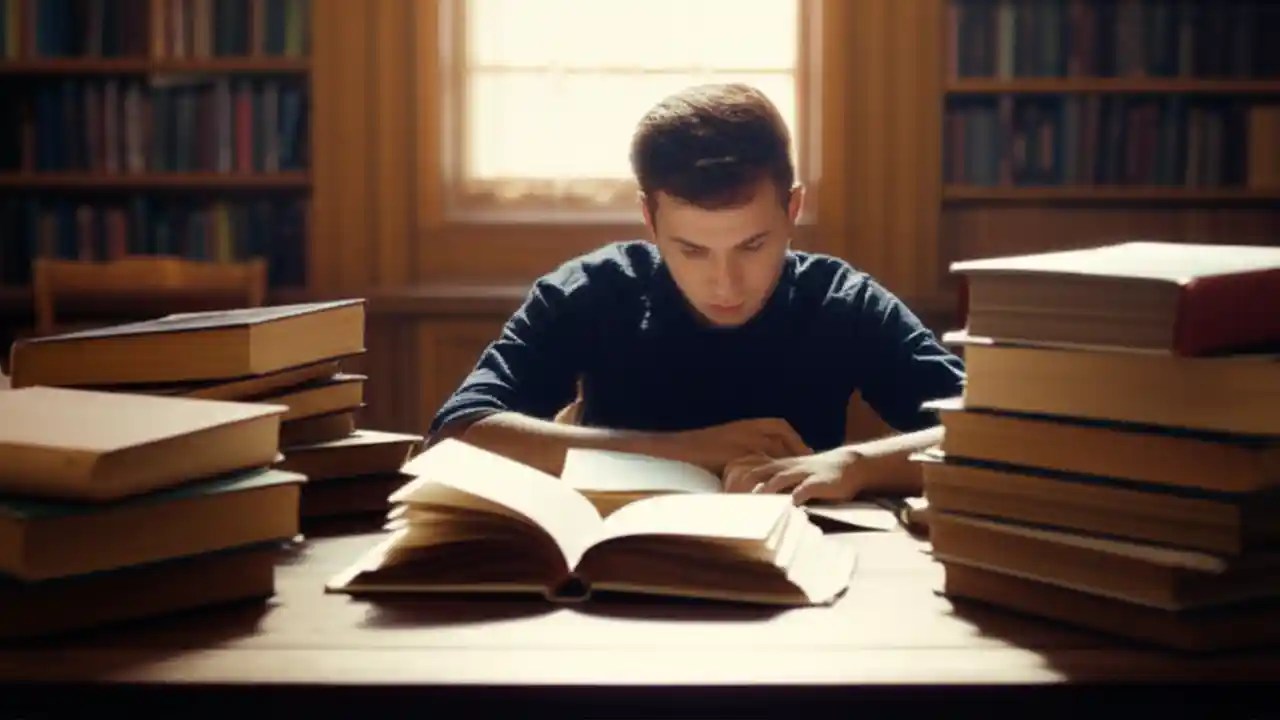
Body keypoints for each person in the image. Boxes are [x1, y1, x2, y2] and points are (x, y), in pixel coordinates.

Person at [426, 83, 965, 505]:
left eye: (753, 245)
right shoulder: (593, 291)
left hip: (791, 587)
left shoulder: (841, 302)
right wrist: (686, 451)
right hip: (609, 586)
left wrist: (855, 465)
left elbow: (986, 431)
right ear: (649, 220)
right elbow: (457, 433)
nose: (726, 285)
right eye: (692, 250)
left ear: (792, 210)